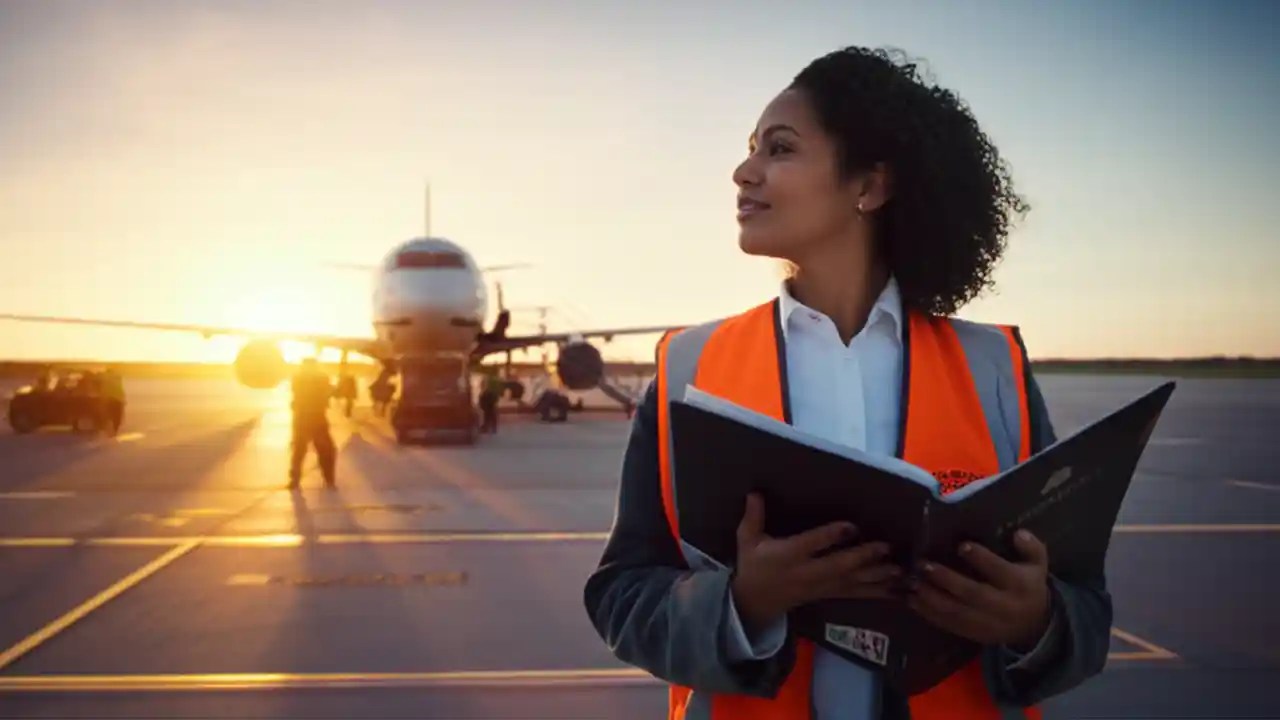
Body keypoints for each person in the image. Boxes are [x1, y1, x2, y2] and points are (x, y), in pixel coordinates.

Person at [583, 46, 1112, 720]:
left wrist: (1036, 619)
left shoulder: (995, 369)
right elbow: (622, 594)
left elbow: (1086, 609)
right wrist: (743, 605)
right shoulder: (688, 366)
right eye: (751, 149)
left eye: (779, 149)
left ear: (871, 185)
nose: (743, 171)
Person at [289, 358, 336, 489]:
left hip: (302, 418)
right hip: (316, 418)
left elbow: (296, 394)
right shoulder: (321, 379)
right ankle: (329, 479)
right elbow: (328, 392)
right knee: (326, 450)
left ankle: (295, 480)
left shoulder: (298, 378)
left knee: (299, 450)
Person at [100, 368, 126, 436]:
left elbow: (104, 390)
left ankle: (111, 430)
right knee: (116, 417)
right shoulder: (116, 379)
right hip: (116, 400)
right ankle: (114, 430)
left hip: (111, 400)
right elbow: (120, 391)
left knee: (110, 416)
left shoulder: (107, 380)